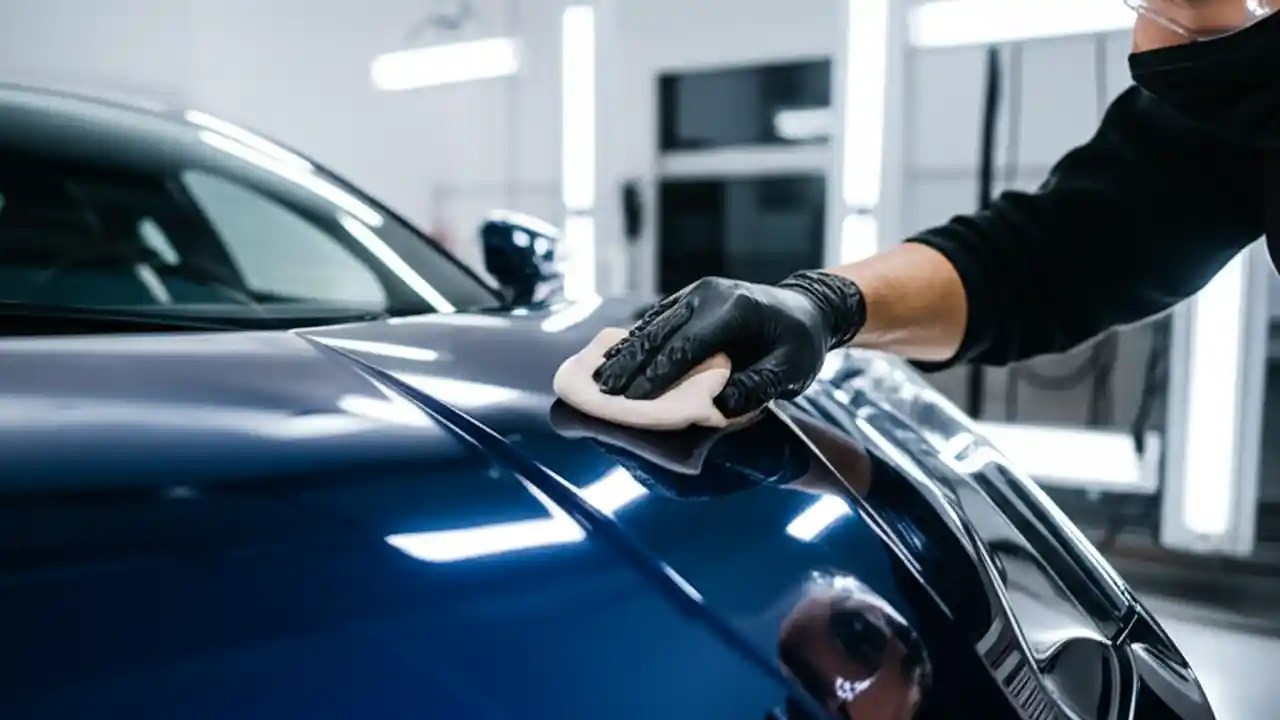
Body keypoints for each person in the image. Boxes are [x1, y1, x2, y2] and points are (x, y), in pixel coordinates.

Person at [594, 0, 1280, 417]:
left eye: (1188, 5)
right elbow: (1045, 259)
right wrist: (826, 304)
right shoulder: (1231, 128)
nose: (1147, 45)